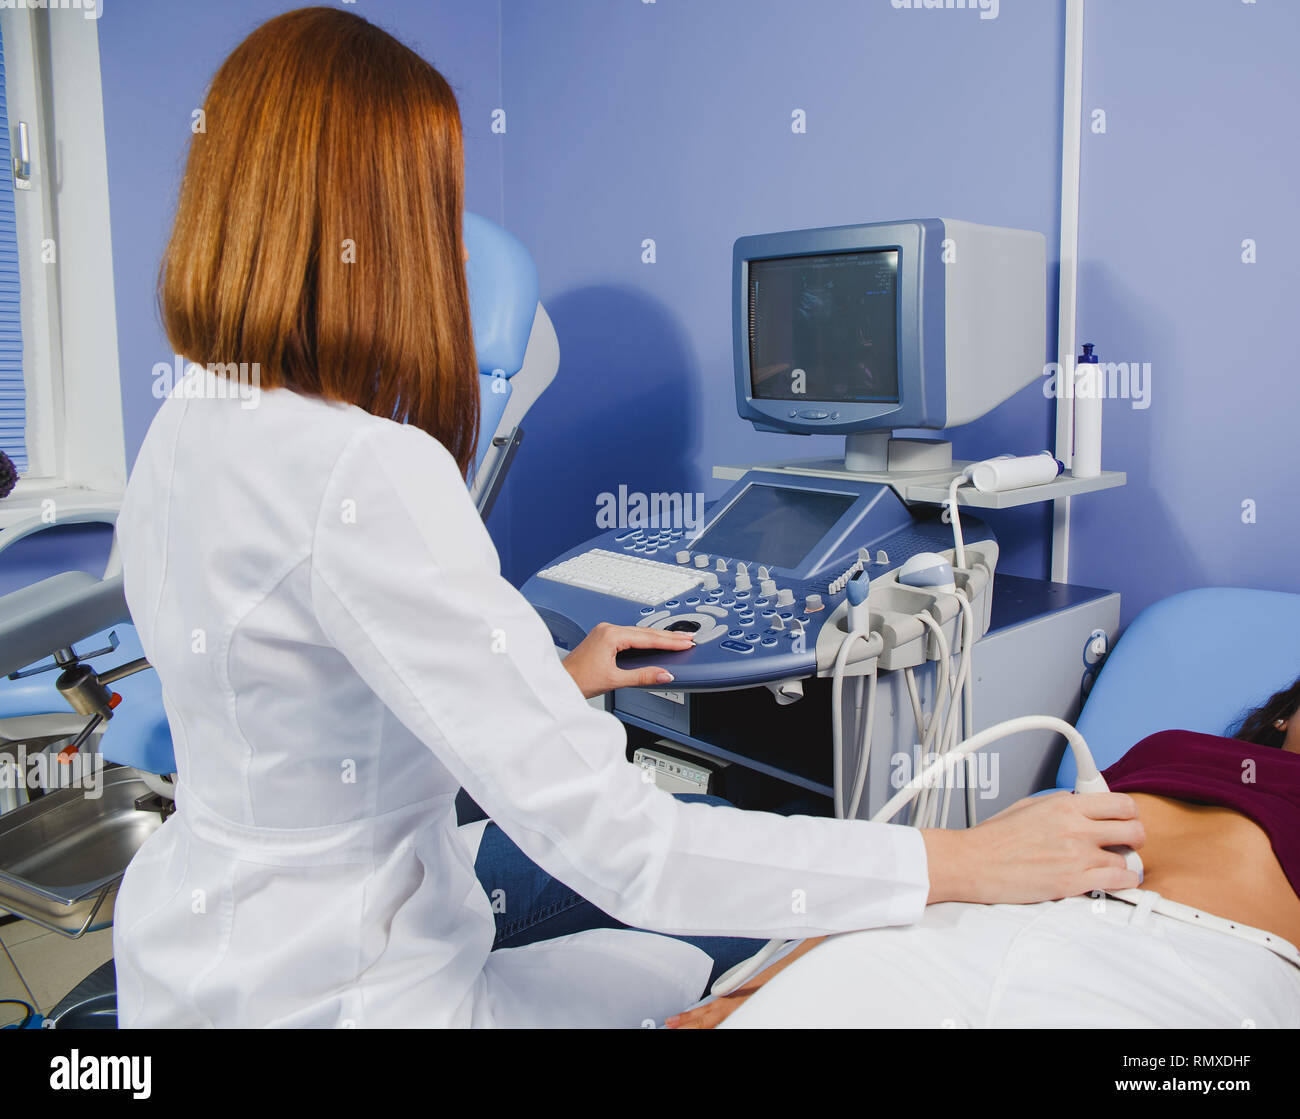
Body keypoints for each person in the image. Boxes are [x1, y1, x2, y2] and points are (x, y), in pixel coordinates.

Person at [111, 7, 1142, 1028]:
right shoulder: (361, 466)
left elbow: (307, 706)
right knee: (688, 947)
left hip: (197, 963)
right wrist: (963, 857)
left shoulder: (193, 417)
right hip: (356, 990)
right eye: (434, 211)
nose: (449, 253)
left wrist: (546, 685)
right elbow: (634, 853)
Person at [668, 677, 1300, 1028]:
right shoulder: (1177, 748)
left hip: (1201, 975)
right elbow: (964, 862)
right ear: (1285, 715)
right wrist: (754, 987)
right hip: (974, 924)